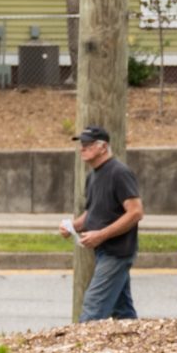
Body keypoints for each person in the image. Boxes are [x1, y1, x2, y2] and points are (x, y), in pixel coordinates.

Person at [68, 125, 142, 322]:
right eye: (81, 145)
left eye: (88, 144)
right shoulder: (93, 176)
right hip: (103, 251)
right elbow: (93, 212)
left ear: (103, 147)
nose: (82, 148)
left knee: (93, 307)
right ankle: (133, 347)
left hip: (117, 251)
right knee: (123, 310)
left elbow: (135, 212)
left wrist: (101, 234)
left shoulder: (119, 172)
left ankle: (81, 347)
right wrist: (72, 226)